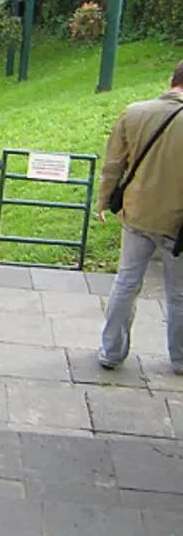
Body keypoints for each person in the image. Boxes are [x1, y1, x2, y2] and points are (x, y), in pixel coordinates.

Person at [95, 60, 183, 373]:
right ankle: (180, 359)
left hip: (136, 213)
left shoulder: (134, 113)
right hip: (177, 225)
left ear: (171, 80)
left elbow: (113, 166)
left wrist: (103, 202)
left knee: (126, 283)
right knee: (179, 293)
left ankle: (111, 352)